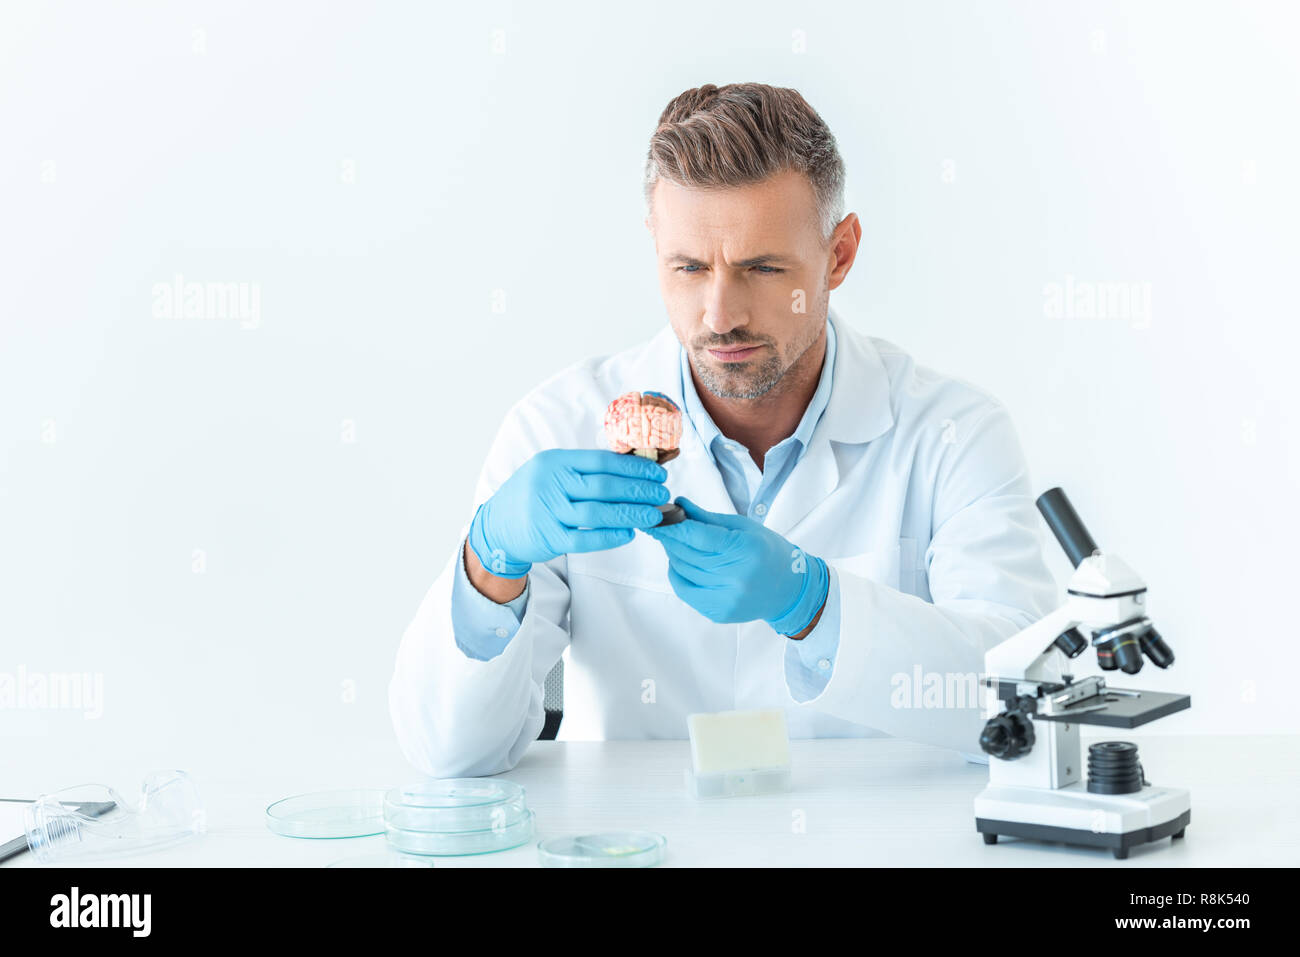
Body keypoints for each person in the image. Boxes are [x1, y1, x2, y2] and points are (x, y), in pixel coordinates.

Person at [389, 82, 1058, 777]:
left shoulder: (953, 436)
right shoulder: (556, 425)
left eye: (762, 268)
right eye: (689, 267)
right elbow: (452, 754)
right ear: (655, 246)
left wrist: (814, 605)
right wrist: (488, 565)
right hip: (640, 847)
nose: (719, 315)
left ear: (840, 254)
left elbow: (1025, 704)